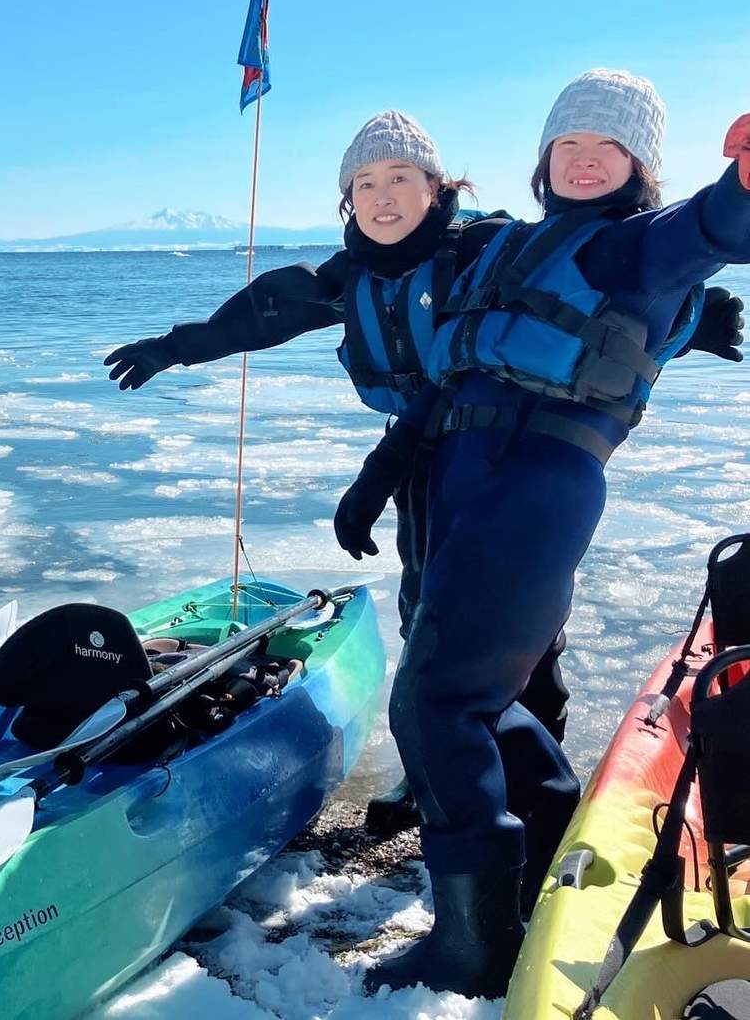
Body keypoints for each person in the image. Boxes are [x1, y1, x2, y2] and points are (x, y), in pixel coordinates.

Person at [104, 110, 741, 832]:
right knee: (429, 618)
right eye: (365, 183)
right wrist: (174, 346)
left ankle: (524, 793)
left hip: (511, 452)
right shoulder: (351, 273)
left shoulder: (485, 247)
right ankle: (437, 772)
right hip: (421, 453)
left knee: (515, 639)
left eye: (401, 178)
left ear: (437, 186)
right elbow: (265, 312)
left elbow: (585, 295)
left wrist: (693, 321)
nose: (383, 197)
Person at [335, 72, 750, 999]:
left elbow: (720, 226)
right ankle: (555, 829)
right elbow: (443, 382)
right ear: (542, 159)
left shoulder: (635, 246)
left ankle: (475, 939)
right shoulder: (504, 254)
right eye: (568, 145)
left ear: (639, 168)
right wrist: (375, 479)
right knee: (482, 689)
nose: (585, 157)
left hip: (538, 482)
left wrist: (745, 179)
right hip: (457, 477)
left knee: (435, 702)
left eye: (609, 147)